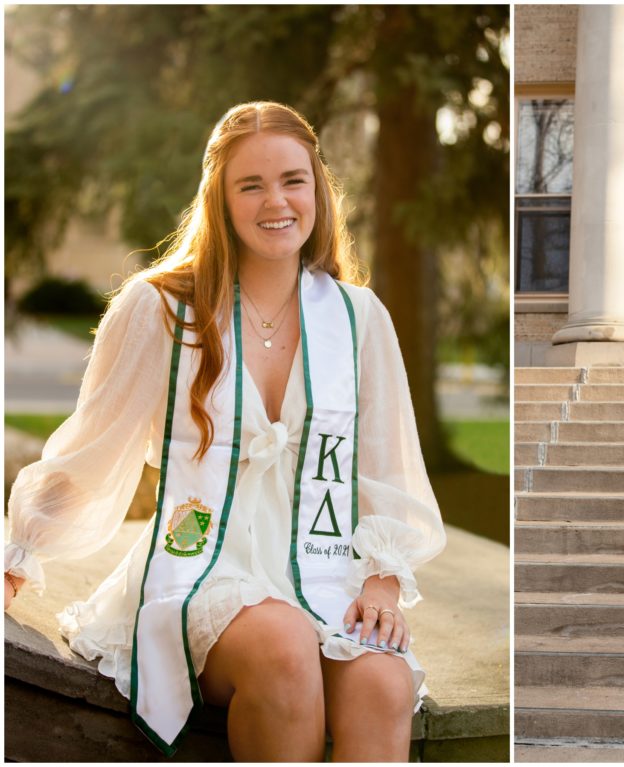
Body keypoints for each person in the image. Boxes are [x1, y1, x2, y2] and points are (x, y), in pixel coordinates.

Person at [4, 101, 446, 761]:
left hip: (319, 571)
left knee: (382, 678)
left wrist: (382, 578)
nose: (278, 200)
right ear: (220, 198)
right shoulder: (160, 308)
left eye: (293, 179)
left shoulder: (358, 318)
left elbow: (387, 468)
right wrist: (17, 555)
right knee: (285, 646)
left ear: (318, 188)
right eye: (252, 184)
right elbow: (90, 453)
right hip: (200, 571)